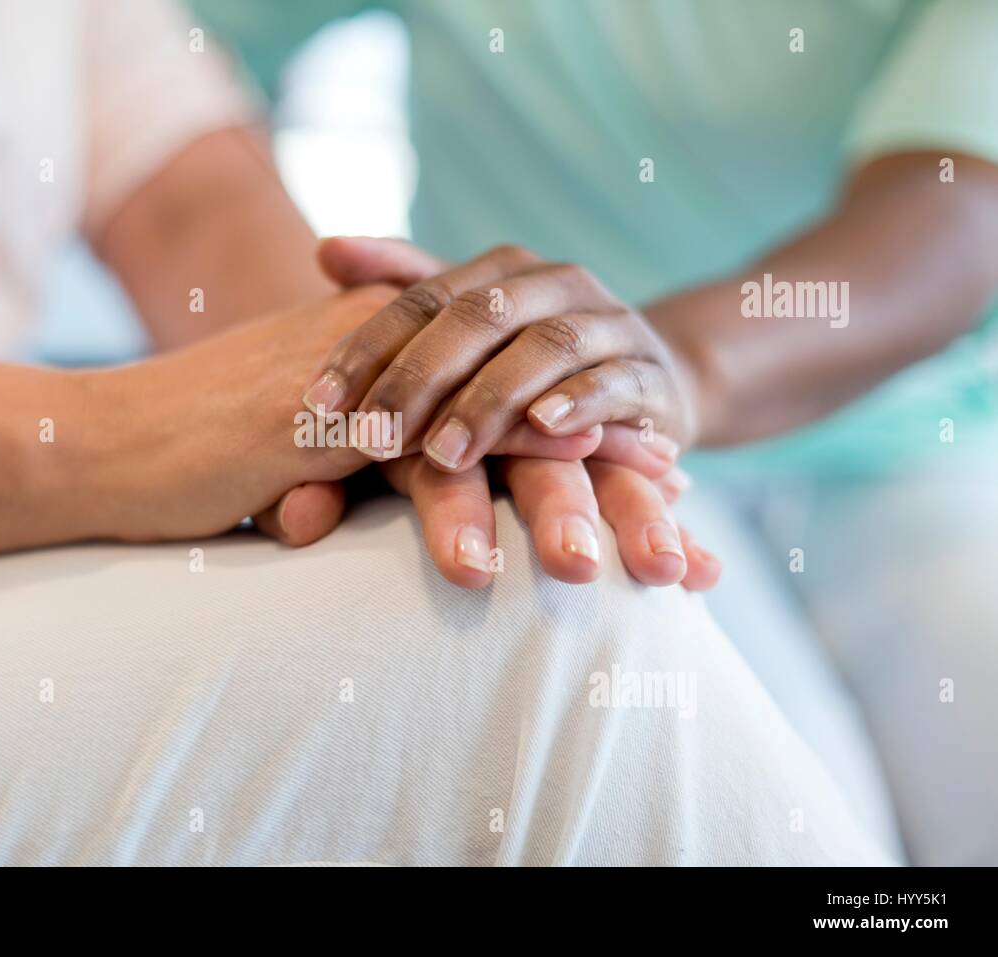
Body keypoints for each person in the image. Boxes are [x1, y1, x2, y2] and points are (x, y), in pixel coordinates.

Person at [0, 0, 889, 865]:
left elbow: (185, 181)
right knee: (545, 641)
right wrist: (113, 434)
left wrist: (419, 393)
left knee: (562, 570)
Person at [193, 0, 998, 864]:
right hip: (550, 444)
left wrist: (677, 367)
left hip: (903, 443)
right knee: (762, 821)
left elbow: (956, 208)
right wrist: (346, 354)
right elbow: (173, 93)